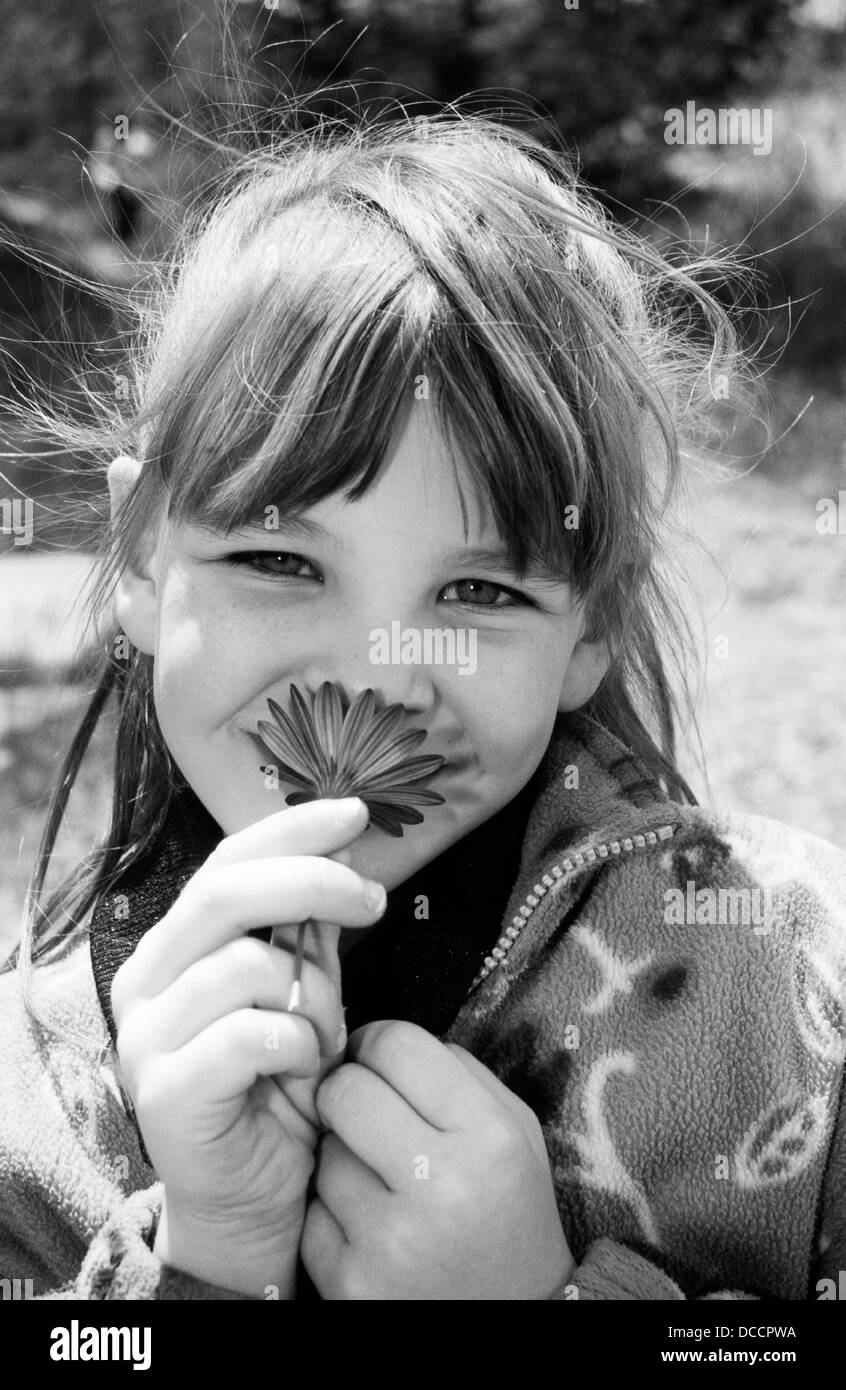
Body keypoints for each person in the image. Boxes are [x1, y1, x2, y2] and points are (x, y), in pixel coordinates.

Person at [1, 105, 844, 1302]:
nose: (378, 675)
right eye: (281, 562)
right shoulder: (26, 1114)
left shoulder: (803, 993)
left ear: (590, 627)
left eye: (481, 589)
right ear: (140, 559)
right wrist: (209, 1264)